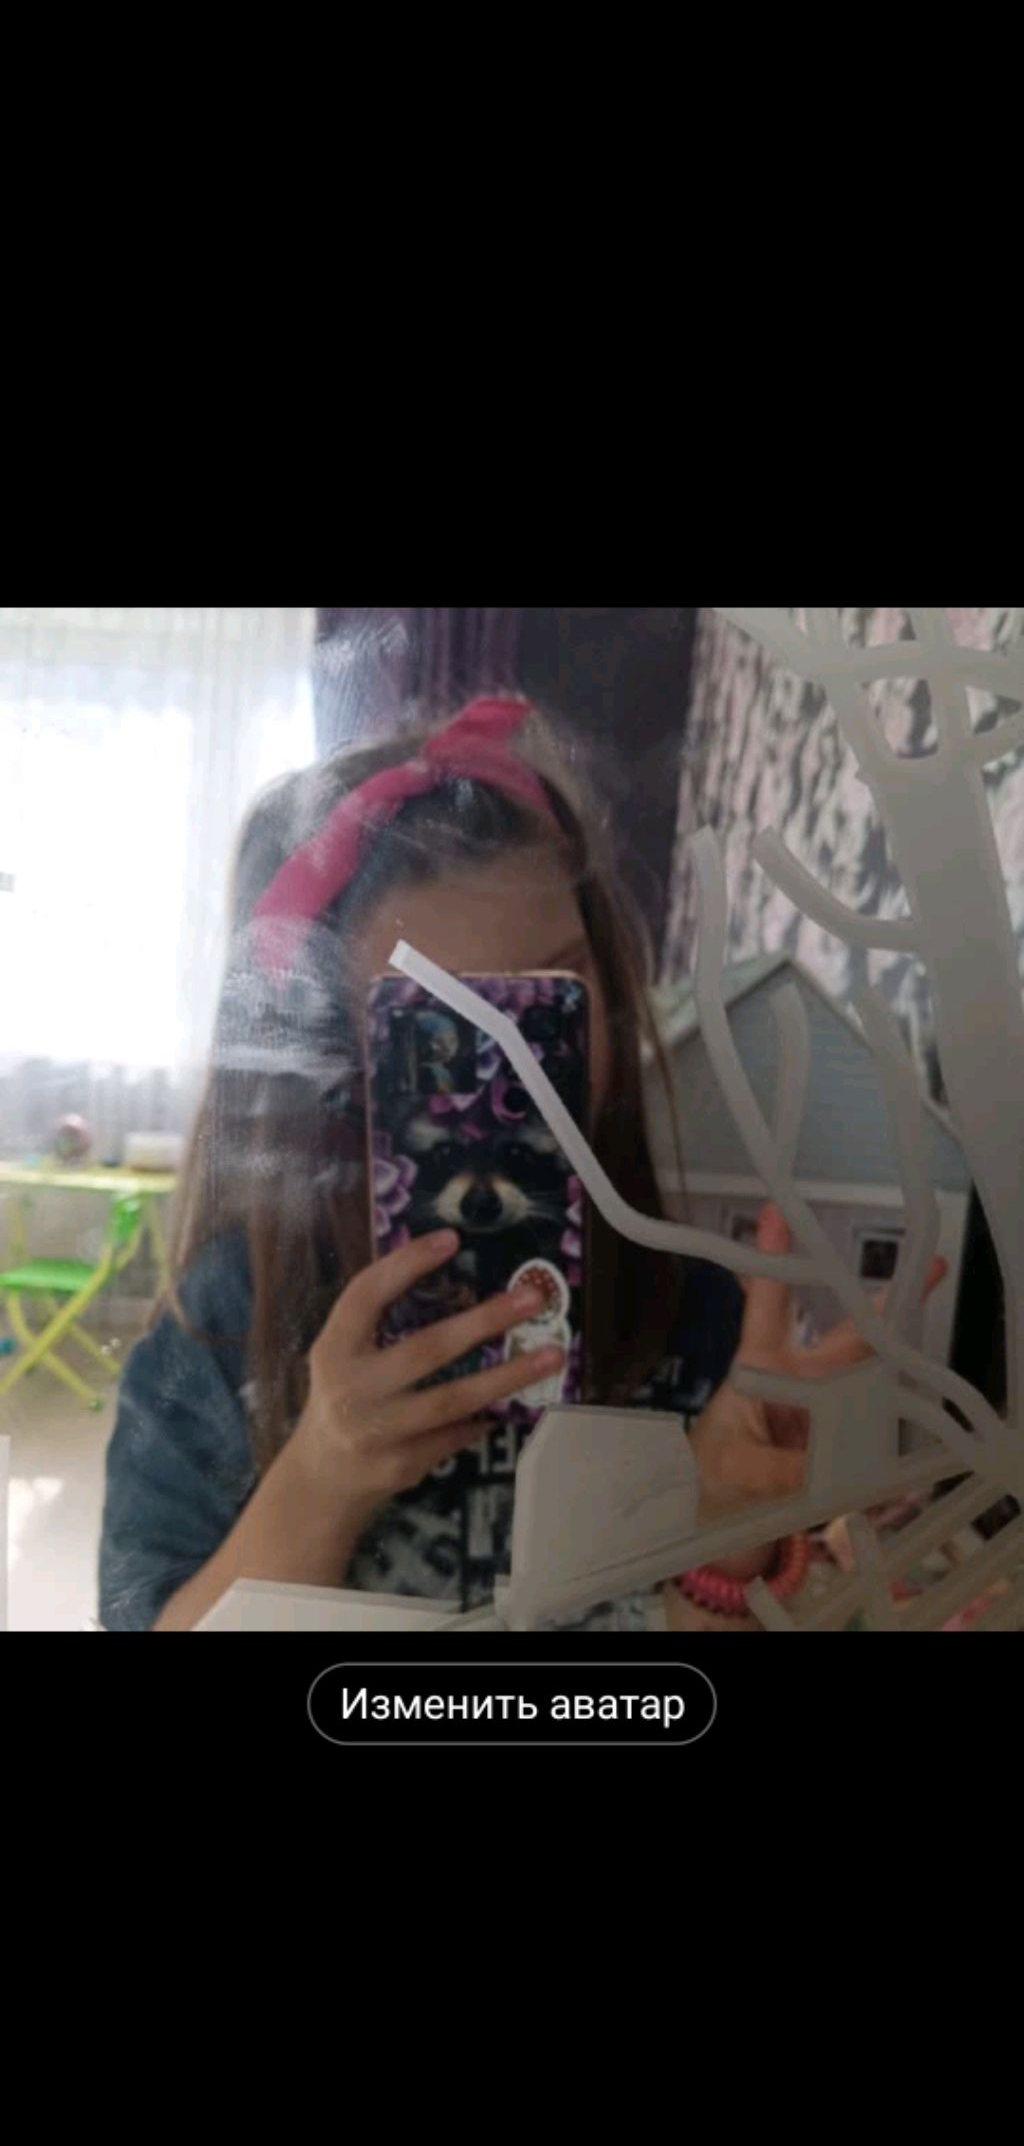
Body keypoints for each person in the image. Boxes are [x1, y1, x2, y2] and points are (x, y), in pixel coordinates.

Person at [98, 696, 944, 1632]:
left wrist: (728, 1531)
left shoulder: (690, 1315)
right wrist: (323, 1474)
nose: (524, 1078)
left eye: (552, 1000)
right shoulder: (228, 1330)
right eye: (443, 1027)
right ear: (337, 1064)